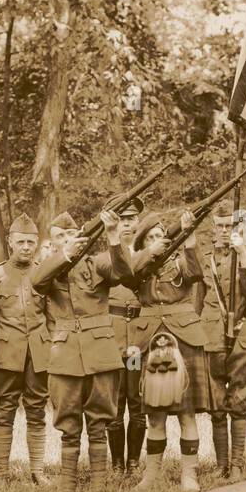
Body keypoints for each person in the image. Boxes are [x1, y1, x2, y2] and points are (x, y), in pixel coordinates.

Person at [31, 208, 130, 492]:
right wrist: (64, 255)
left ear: (82, 235)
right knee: (69, 426)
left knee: (99, 424)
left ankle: (99, 491)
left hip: (100, 352)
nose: (66, 240)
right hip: (65, 356)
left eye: (71, 234)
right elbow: (37, 281)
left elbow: (125, 273)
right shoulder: (51, 266)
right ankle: (66, 491)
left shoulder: (97, 262)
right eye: (59, 237)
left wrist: (113, 236)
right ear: (53, 243)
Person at [128, 210, 210, 492]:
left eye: (159, 235)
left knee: (186, 412)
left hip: (183, 336)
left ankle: (190, 475)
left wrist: (188, 236)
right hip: (150, 338)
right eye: (149, 238)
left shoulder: (179, 260)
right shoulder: (139, 265)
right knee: (155, 414)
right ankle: (151, 475)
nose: (156, 240)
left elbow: (197, 272)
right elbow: (127, 273)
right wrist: (149, 253)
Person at [200, 200, 246, 479]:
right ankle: (221, 465)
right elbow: (196, 300)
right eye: (221, 226)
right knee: (215, 403)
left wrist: (243, 256)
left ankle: (237, 465)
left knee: (238, 402)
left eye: (231, 226)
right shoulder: (204, 259)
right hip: (211, 334)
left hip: (241, 335)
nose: (225, 231)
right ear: (214, 228)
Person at [0, 213, 51, 484]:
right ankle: (1, 473)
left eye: (31, 242)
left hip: (38, 353)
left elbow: (54, 316)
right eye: (21, 242)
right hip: (6, 355)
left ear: (36, 244)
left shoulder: (45, 273)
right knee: (5, 411)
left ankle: (38, 470)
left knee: (37, 410)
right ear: (10, 242)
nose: (26, 247)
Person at [107, 198, 147, 474]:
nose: (128, 224)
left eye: (132, 218)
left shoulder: (149, 253)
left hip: (138, 339)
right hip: (112, 338)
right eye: (122, 219)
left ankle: (133, 461)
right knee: (114, 398)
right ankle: (116, 462)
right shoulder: (106, 256)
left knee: (137, 397)